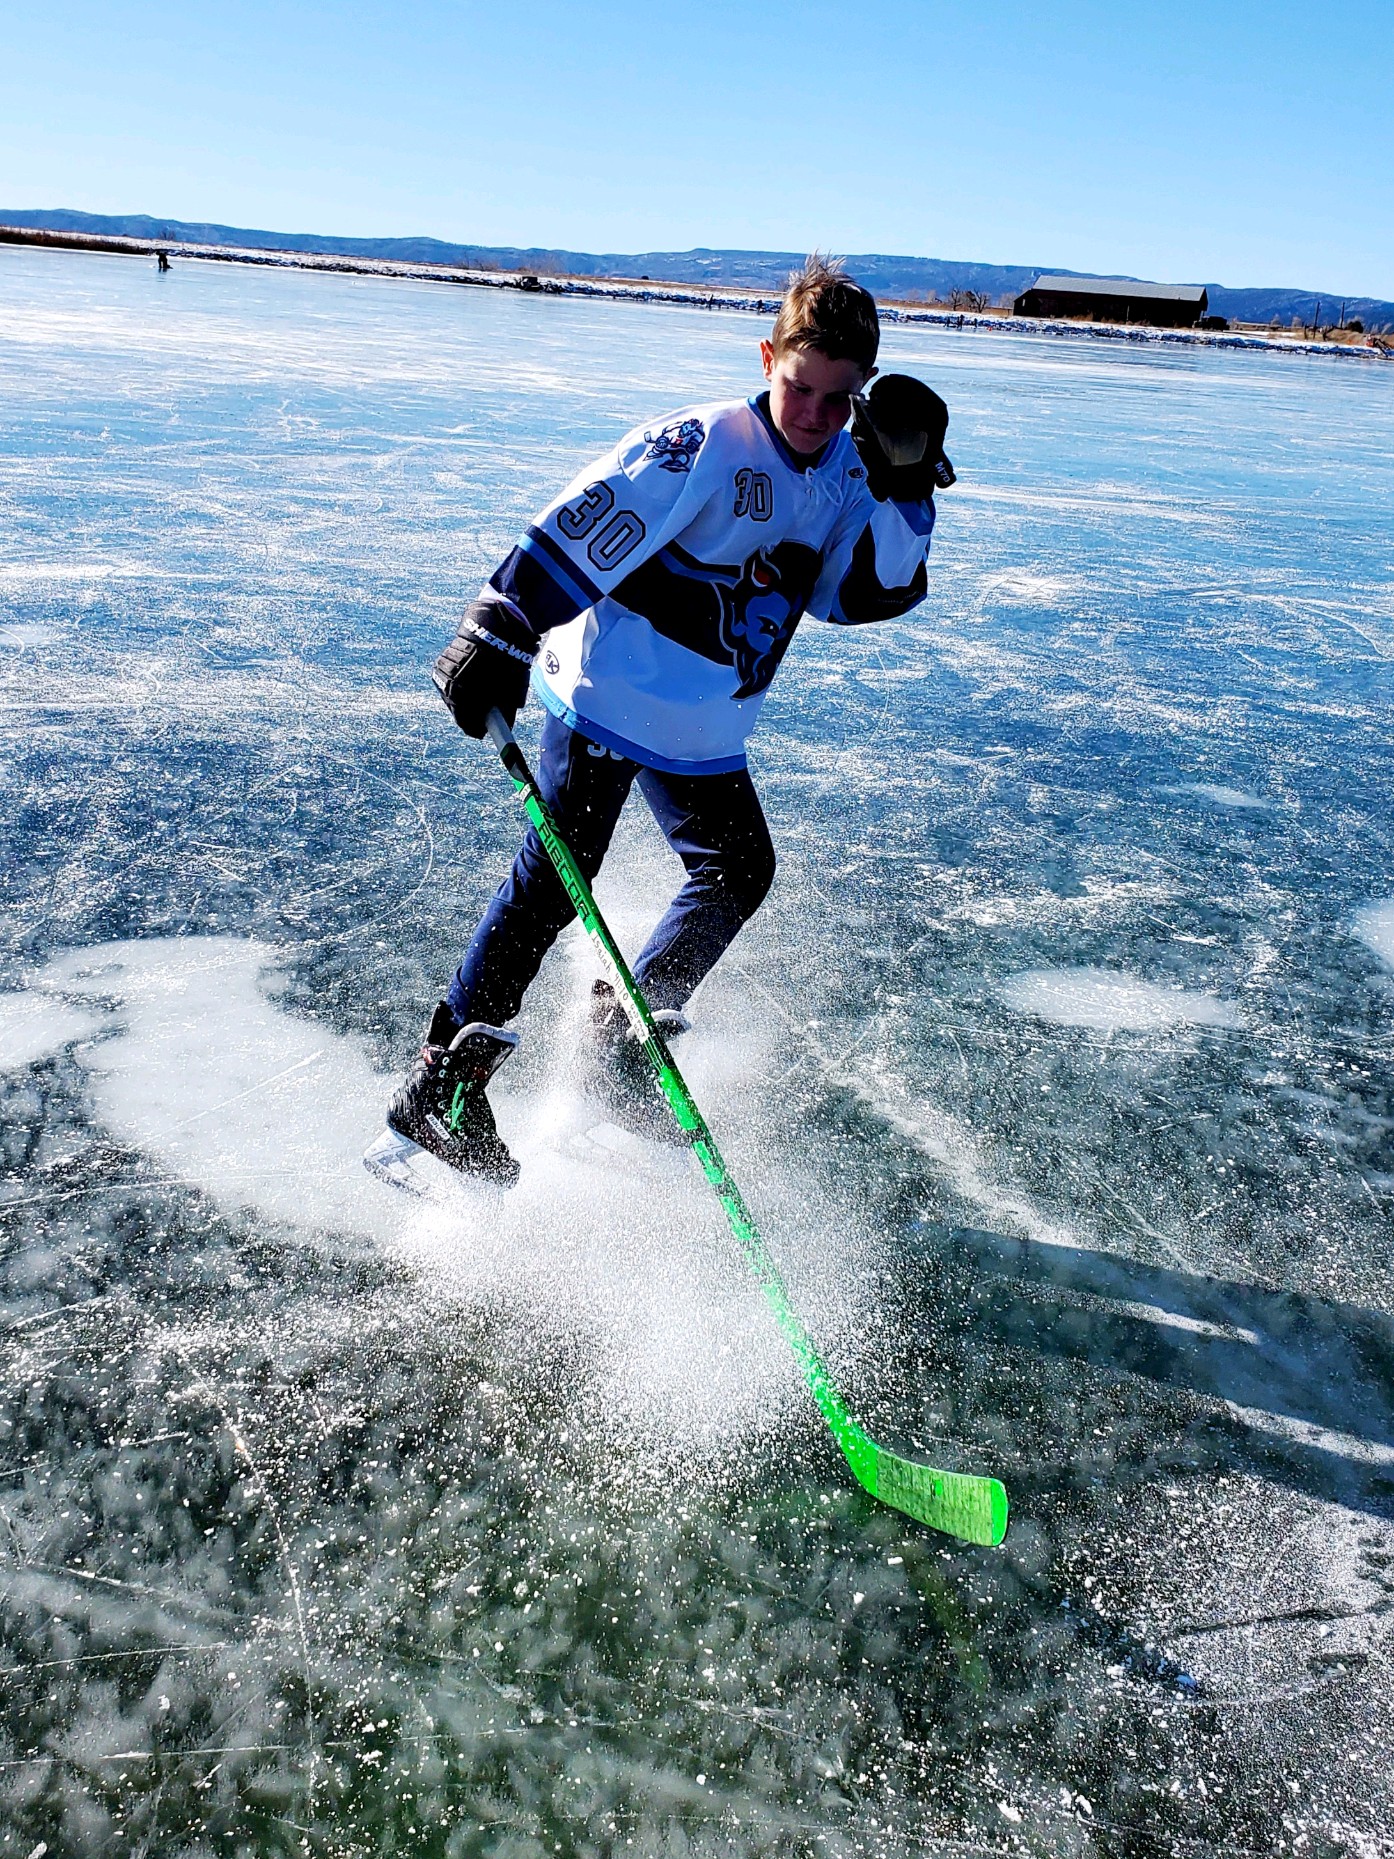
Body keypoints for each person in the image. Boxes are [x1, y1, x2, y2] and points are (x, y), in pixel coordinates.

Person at [385, 256, 954, 1185]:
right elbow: (586, 521)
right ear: (769, 356)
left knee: (737, 869)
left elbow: (861, 595)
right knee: (555, 880)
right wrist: (499, 624)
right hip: (605, 696)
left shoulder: (848, 473)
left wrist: (907, 488)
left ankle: (623, 1037)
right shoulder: (705, 444)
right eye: (797, 388)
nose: (812, 415)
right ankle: (442, 1082)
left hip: (700, 727)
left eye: (837, 401)